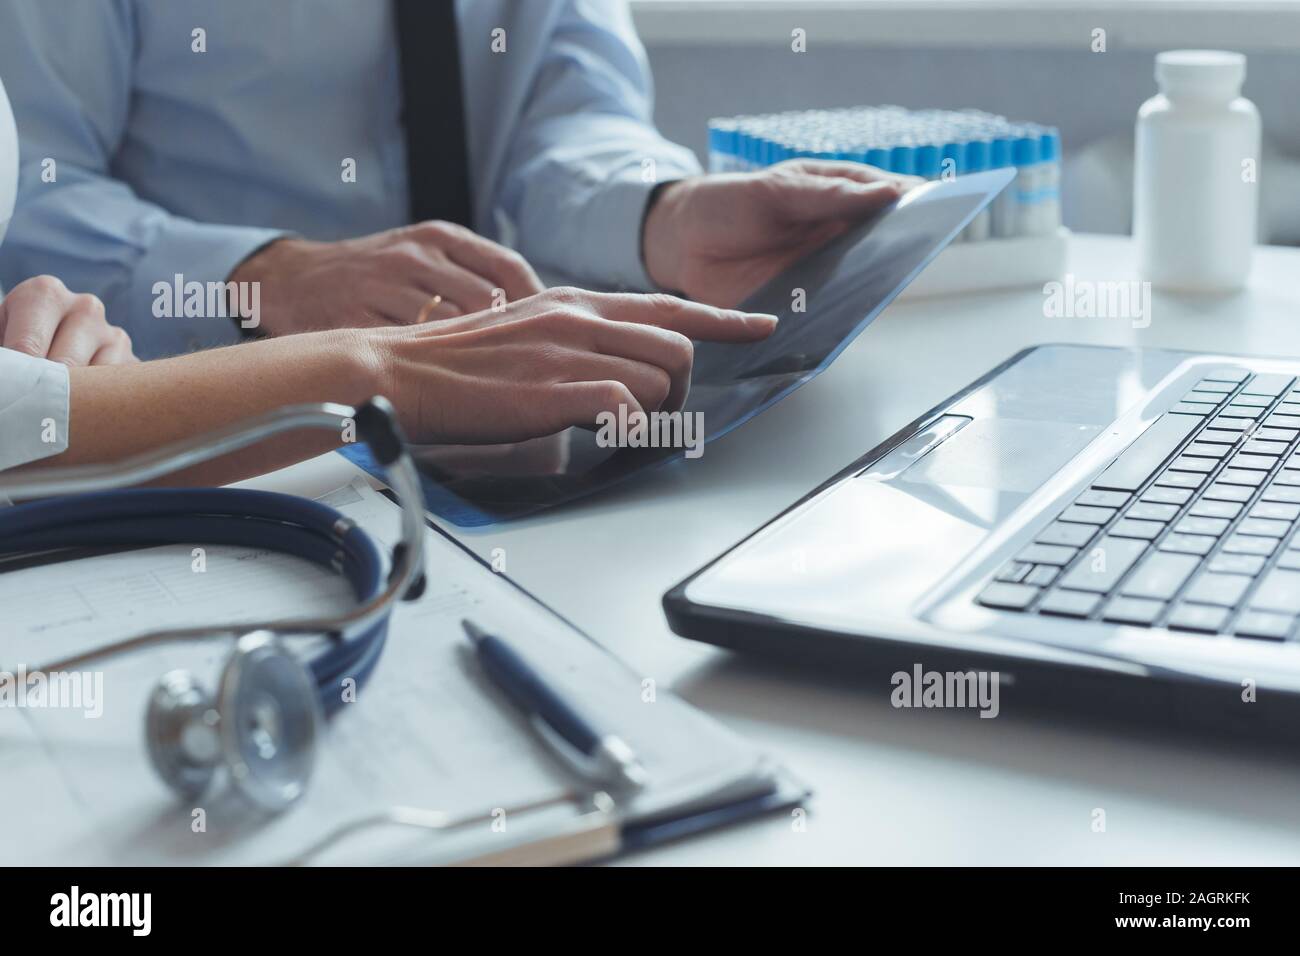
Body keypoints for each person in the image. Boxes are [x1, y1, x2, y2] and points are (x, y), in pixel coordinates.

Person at [0, 0, 906, 359]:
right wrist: (265, 275)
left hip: (504, 405)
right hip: (218, 424)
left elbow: (569, 113)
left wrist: (663, 216)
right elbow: (28, 192)